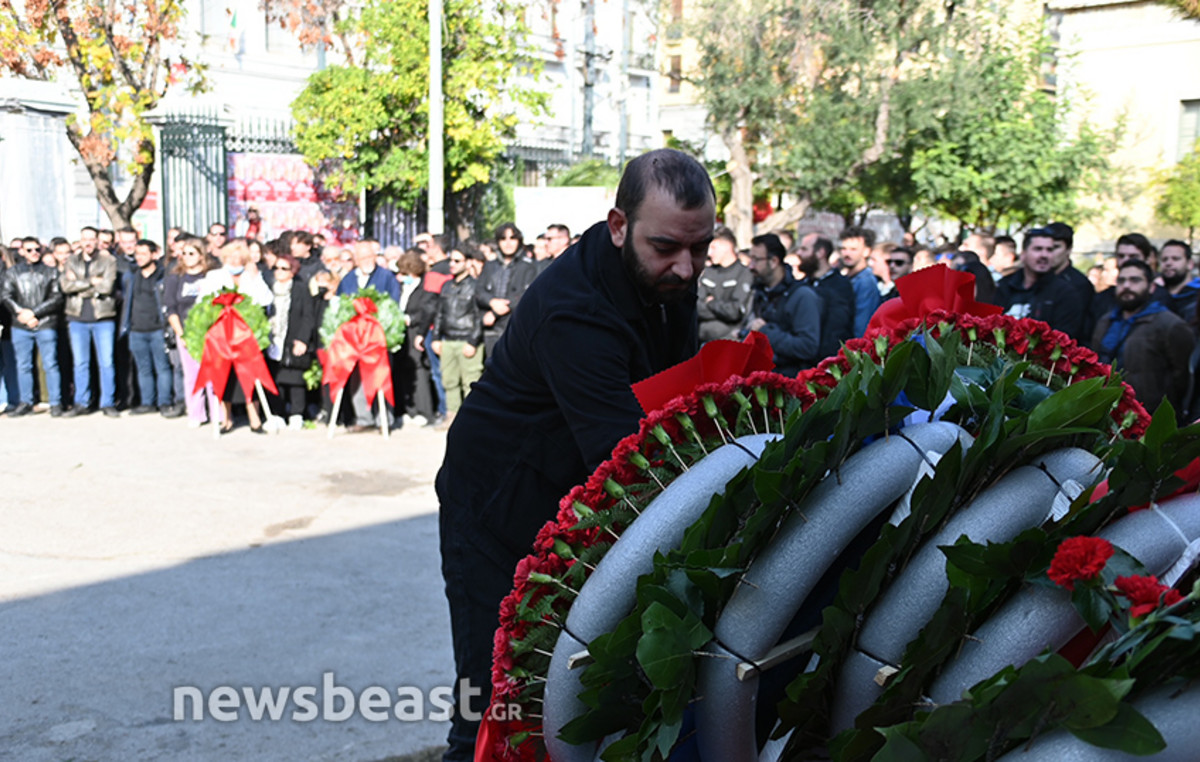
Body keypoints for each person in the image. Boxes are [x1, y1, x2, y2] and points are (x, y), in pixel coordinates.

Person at [435, 148, 715, 760]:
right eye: (666, 247)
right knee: (491, 704)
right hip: (495, 507)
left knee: (567, 693)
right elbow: (631, 460)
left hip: (569, 503)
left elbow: (675, 398)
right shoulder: (576, 312)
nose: (686, 268)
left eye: (701, 248)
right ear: (619, 226)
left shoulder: (668, 275)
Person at [1092, 259, 1193, 419]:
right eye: (1122, 280)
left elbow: (1182, 377)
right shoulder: (1106, 321)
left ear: (1151, 287)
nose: (1126, 286)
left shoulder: (1169, 324)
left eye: (1135, 280)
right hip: (1106, 412)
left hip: (1149, 416)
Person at [198, 240, 273, 432]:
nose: (234, 260)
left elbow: (266, 299)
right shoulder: (214, 276)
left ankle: (254, 419)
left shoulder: (251, 276)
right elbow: (203, 302)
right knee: (225, 377)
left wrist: (256, 277)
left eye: (238, 257)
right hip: (222, 335)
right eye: (231, 256)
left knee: (251, 376)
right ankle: (226, 419)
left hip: (247, 335)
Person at [1, 237, 64, 416]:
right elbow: (6, 296)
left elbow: (56, 297)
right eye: (29, 250)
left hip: (45, 324)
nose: (34, 253)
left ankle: (55, 402)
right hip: (20, 325)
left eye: (37, 249)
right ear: (21, 252)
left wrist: (34, 313)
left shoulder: (51, 272)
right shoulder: (12, 272)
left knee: (50, 364)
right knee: (23, 365)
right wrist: (22, 314)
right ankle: (26, 401)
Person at [61, 227, 120, 416]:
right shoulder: (71, 260)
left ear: (97, 241)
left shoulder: (108, 260)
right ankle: (82, 402)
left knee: (106, 362)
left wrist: (79, 282)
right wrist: (91, 281)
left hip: (102, 316)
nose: (88, 243)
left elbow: (107, 287)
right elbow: (65, 286)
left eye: (91, 239)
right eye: (84, 239)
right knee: (80, 363)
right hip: (77, 317)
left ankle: (107, 403)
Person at [743, 233, 821, 375]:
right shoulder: (760, 291)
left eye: (756, 259)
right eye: (750, 259)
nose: (750, 266)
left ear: (773, 261)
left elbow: (807, 347)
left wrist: (766, 331)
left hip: (789, 382)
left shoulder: (802, 296)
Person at [119, 239, 177, 416]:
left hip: (157, 328)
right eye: (137, 254)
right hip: (136, 329)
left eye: (144, 253)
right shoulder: (131, 276)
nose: (139, 257)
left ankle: (165, 402)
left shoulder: (163, 276)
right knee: (143, 368)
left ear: (154, 254)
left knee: (162, 367)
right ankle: (147, 402)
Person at [431, 248, 484, 429]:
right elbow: (439, 313)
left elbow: (479, 317)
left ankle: (471, 419)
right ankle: (451, 415)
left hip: (467, 341)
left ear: (468, 263)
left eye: (457, 261)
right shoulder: (447, 285)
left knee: (470, 382)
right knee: (449, 381)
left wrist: (473, 341)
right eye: (450, 261)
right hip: (448, 340)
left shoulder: (476, 286)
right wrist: (436, 337)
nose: (452, 265)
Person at [164, 237, 214, 427]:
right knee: (192, 375)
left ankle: (216, 412)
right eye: (184, 253)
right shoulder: (175, 277)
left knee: (212, 375)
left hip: (209, 332)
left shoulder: (211, 276)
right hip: (186, 331)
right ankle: (196, 414)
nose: (187, 257)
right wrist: (181, 334)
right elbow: (171, 308)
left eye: (191, 253)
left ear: (201, 256)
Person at [267, 253, 318, 429]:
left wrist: (302, 339)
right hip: (273, 339)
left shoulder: (300, 288)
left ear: (293, 271)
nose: (279, 272)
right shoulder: (268, 288)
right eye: (276, 268)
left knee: (295, 378)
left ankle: (297, 413)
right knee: (275, 377)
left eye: (284, 268)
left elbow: (308, 316)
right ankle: (278, 413)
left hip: (293, 338)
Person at [475, 223, 538, 358]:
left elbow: (526, 295)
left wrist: (497, 311)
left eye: (512, 238)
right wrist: (492, 302)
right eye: (503, 239)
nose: (508, 243)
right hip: (491, 330)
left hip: (515, 328)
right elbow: (479, 291)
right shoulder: (490, 266)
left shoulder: (528, 266)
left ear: (519, 241)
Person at [796, 233, 855, 361]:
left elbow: (836, 329)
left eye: (804, 249)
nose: (799, 253)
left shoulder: (839, 286)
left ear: (820, 253)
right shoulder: (803, 284)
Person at [696, 225, 754, 343]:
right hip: (701, 340)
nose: (709, 253)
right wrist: (721, 310)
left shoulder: (744, 274)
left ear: (727, 246)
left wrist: (711, 302)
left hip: (729, 343)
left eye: (713, 247)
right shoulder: (708, 272)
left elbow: (735, 311)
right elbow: (696, 306)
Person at [838, 225, 881, 336]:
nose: (847, 253)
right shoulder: (847, 278)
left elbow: (862, 325)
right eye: (843, 249)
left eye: (853, 249)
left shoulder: (866, 282)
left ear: (866, 252)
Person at [1158, 240, 1199, 319]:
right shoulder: (1154, 296)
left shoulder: (1197, 297)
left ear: (1190, 264)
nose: (1168, 263)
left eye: (1175, 259)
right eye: (1164, 259)